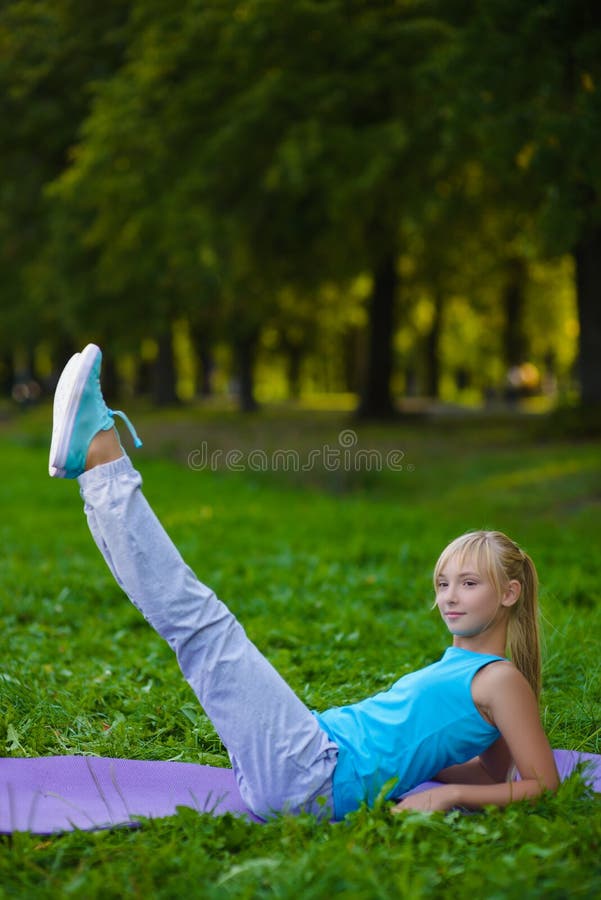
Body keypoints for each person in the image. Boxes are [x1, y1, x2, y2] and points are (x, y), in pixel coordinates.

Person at [49, 344, 559, 821]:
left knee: (202, 625)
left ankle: (101, 455)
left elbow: (544, 783)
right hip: (310, 754)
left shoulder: (502, 679)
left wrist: (447, 796)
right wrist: (415, 769)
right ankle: (92, 468)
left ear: (510, 593)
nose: (448, 595)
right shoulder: (465, 668)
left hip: (314, 774)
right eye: (443, 582)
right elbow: (492, 771)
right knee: (190, 627)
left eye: (468, 583)